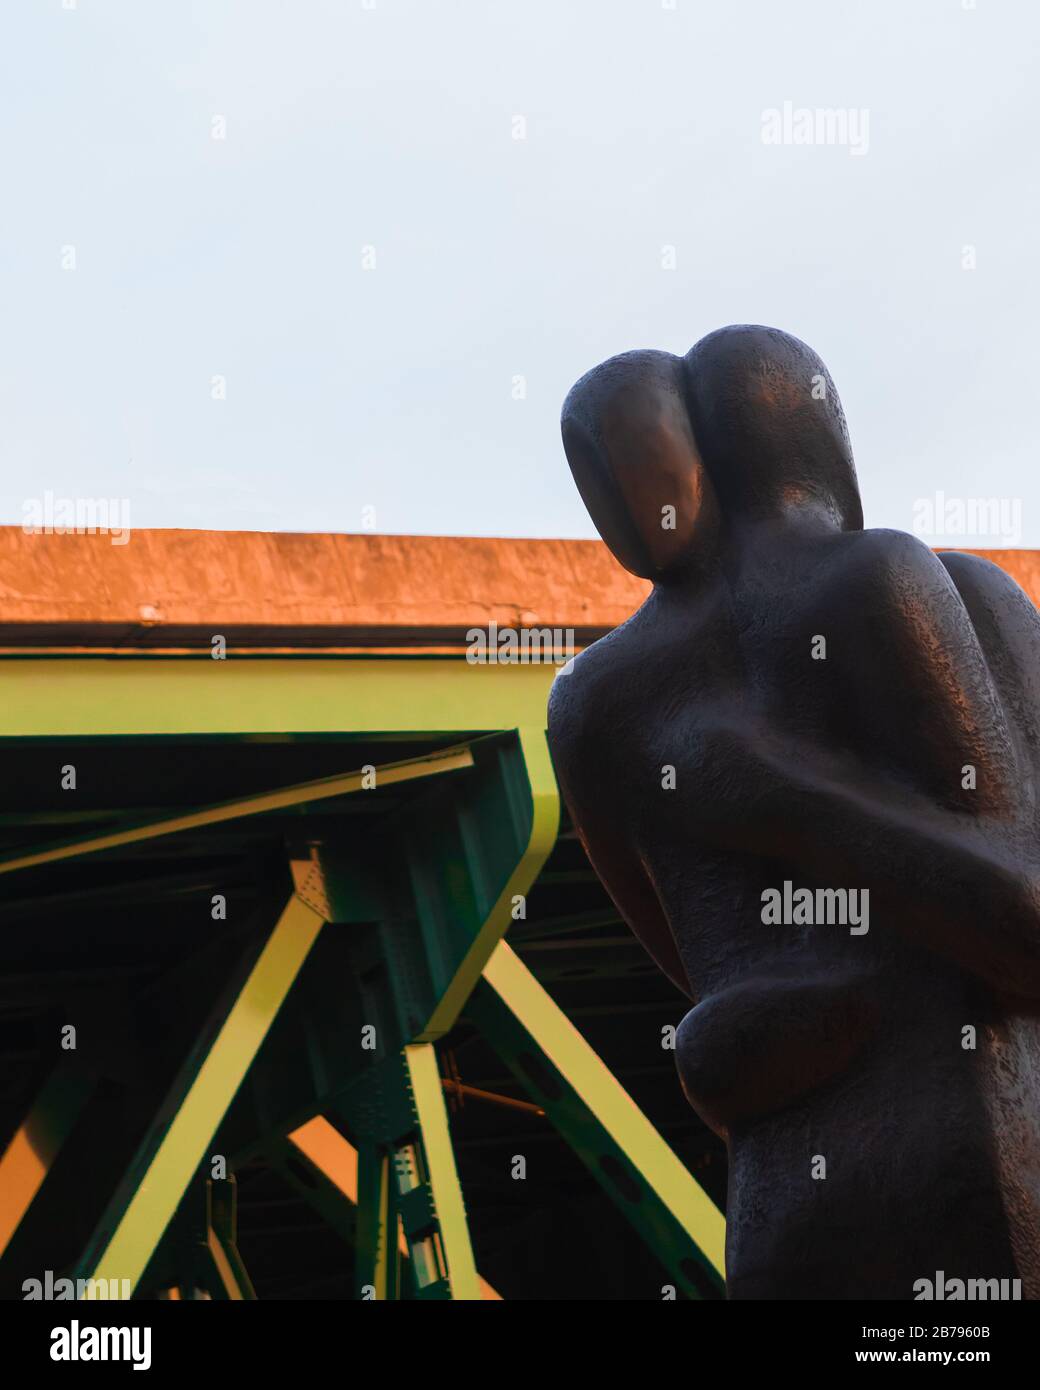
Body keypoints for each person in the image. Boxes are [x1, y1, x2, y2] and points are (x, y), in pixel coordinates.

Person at [548, 325, 1040, 1299]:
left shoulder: (593, 702)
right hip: (885, 1154)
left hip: (851, 1163)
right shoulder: (603, 701)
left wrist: (784, 802)